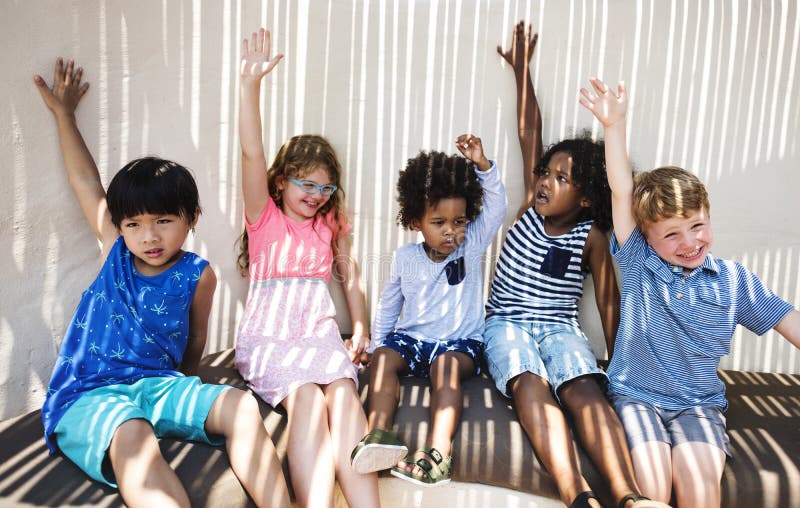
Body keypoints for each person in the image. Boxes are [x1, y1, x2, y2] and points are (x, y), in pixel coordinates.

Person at [33, 58, 291, 508]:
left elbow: (195, 340)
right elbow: (85, 181)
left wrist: (188, 392)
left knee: (241, 407)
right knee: (131, 435)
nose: (148, 236)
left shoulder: (197, 274)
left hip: (159, 384)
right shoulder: (116, 251)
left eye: (164, 221)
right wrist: (64, 115)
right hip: (92, 392)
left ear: (192, 219)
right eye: (134, 224)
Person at [580, 76, 800, 507]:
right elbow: (621, 190)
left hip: (698, 404)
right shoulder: (640, 261)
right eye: (672, 235)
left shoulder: (734, 281)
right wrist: (614, 127)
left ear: (708, 217)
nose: (689, 243)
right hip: (637, 396)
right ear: (645, 236)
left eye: (697, 226)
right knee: (654, 489)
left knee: (700, 491)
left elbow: (790, 322)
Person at [482, 21, 668, 508]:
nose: (544, 181)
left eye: (561, 178)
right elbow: (530, 132)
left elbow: (610, 303)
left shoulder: (595, 238)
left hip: (560, 327)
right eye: (545, 171)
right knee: (528, 380)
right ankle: (577, 494)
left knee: (585, 386)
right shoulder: (528, 207)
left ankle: (628, 495)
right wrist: (522, 72)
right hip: (506, 324)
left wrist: (622, 363)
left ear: (586, 196)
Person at [234, 28, 379, 507]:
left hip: (317, 333)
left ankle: (366, 492)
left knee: (341, 390)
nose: (316, 195)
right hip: (273, 338)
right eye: (307, 184)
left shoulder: (328, 223)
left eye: (326, 188)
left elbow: (348, 272)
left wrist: (359, 324)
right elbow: (252, 152)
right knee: (309, 401)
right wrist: (250, 87)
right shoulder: (265, 219)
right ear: (280, 183)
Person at [349, 135, 507, 486]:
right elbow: (389, 304)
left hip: (458, 344)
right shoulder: (406, 258)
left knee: (446, 368)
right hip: (413, 341)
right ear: (416, 221)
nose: (451, 231)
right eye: (439, 222)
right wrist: (377, 347)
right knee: (386, 358)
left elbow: (497, 206)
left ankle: (438, 454)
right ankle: (378, 434)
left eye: (460, 221)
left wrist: (483, 166)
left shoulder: (473, 245)